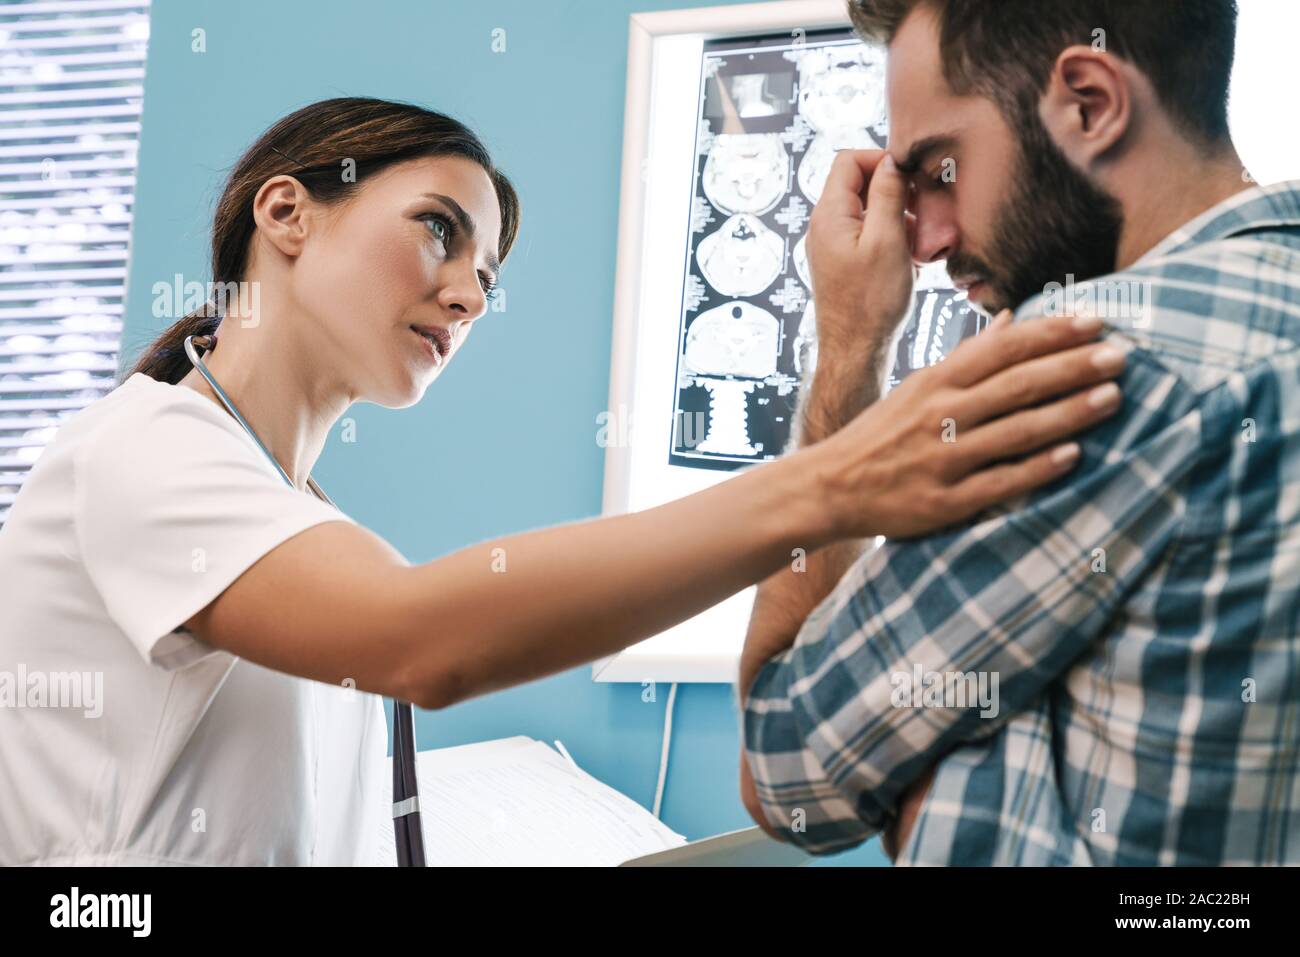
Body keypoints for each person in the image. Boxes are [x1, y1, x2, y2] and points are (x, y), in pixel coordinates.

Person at [0, 96, 1120, 866]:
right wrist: (840, 483)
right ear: (286, 213)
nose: (470, 296)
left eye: (486, 275)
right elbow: (423, 639)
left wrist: (847, 359)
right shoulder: (143, 449)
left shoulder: (303, 525)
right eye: (438, 232)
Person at [740, 0, 1300, 865]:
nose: (921, 238)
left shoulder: (1097, 364)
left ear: (1089, 103)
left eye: (938, 167)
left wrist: (849, 350)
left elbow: (785, 770)